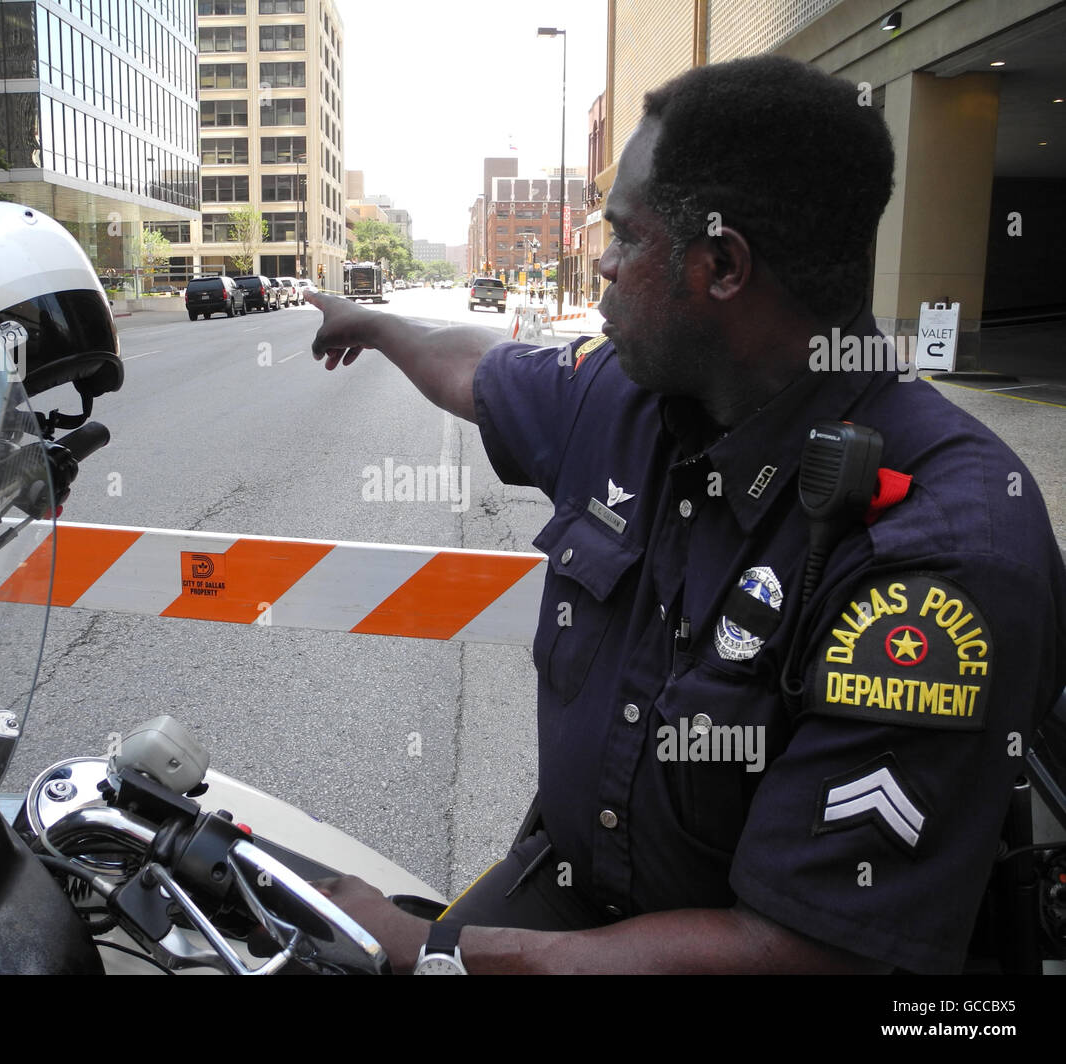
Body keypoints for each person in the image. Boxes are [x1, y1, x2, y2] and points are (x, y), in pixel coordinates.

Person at [304, 55, 1066, 975]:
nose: (603, 266)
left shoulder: (944, 552)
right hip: (571, 890)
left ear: (722, 265)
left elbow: (798, 951)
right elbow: (480, 370)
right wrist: (380, 326)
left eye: (623, 236)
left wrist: (425, 954)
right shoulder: (637, 395)